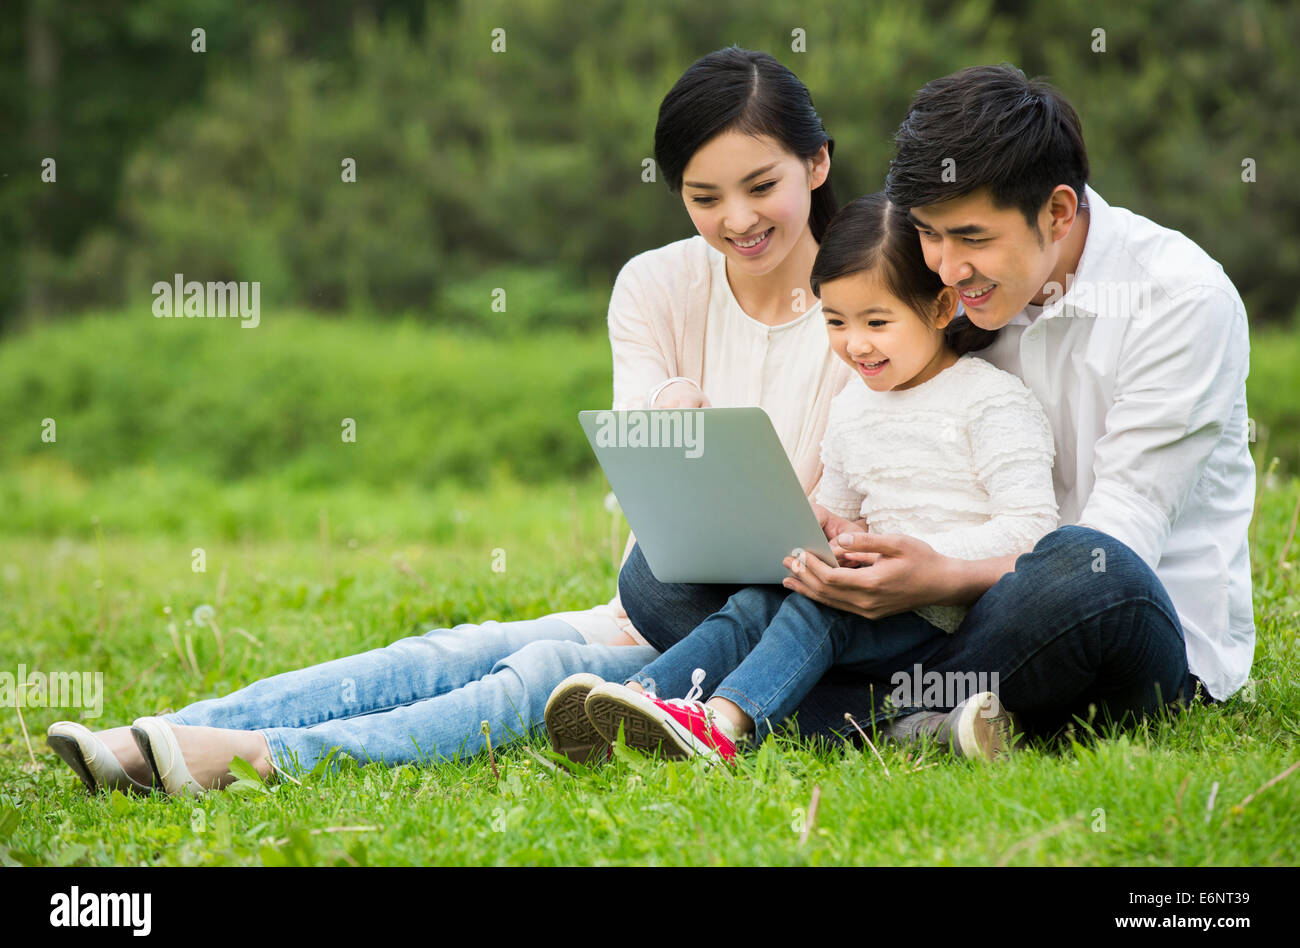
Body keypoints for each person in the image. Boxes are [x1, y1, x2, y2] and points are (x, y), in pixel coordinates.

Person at [46, 46, 853, 795]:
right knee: (446, 649)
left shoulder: (870, 310)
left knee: (538, 674)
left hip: (764, 636)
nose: (737, 220)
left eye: (760, 186)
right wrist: (671, 426)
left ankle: (264, 758)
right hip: (650, 601)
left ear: (816, 164)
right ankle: (163, 733)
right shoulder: (655, 285)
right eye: (704, 197)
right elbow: (649, 474)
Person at [616, 63, 1255, 749]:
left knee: (1081, 568)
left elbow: (1120, 543)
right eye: (930, 234)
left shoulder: (1179, 301)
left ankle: (836, 710)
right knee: (659, 577)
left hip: (1097, 624)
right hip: (921, 621)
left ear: (1059, 212)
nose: (947, 269)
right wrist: (828, 540)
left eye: (973, 238)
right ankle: (926, 719)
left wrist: (940, 575)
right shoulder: (946, 284)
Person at [554, 192, 1058, 762]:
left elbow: (1035, 533)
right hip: (870, 599)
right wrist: (816, 528)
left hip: (946, 612)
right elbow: (837, 510)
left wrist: (922, 559)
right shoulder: (854, 406)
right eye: (836, 321)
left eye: (877, 321)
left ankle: (723, 723)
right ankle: (638, 702)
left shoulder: (989, 400)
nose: (855, 343)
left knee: (816, 610)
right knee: (760, 605)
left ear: (942, 309)